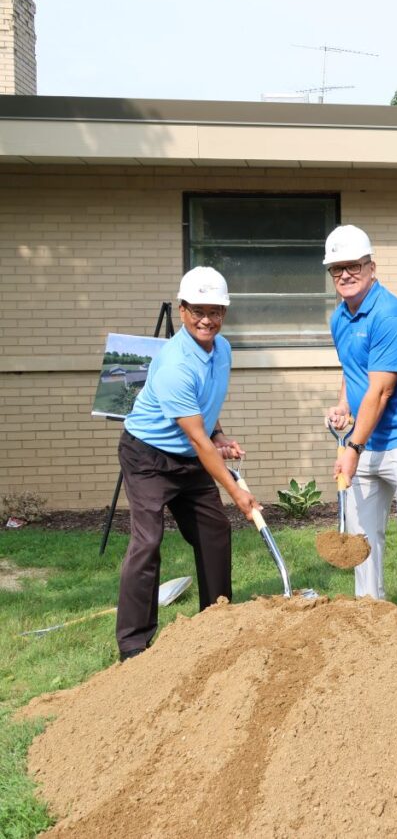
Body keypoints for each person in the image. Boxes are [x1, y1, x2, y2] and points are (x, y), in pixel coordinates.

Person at [115, 267, 259, 662]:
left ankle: (217, 617)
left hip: (190, 453)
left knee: (215, 529)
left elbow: (202, 416)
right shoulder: (176, 362)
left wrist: (218, 435)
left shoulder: (223, 349)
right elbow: (195, 436)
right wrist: (237, 492)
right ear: (182, 310)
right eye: (198, 310)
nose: (206, 320)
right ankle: (133, 645)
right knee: (148, 541)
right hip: (148, 456)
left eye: (215, 311)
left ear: (224, 313)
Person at [324, 224, 397, 601]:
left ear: (372, 268)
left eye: (353, 266)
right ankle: (368, 611)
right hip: (366, 441)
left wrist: (351, 448)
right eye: (336, 268)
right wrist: (344, 405)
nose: (344, 275)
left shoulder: (391, 316)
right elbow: (353, 371)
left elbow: (381, 389)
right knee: (362, 537)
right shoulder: (340, 317)